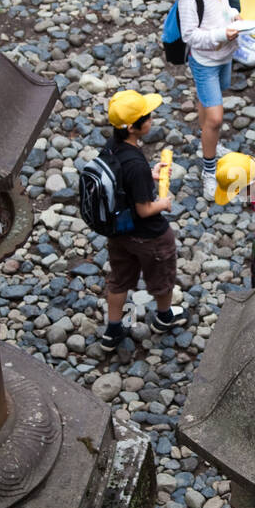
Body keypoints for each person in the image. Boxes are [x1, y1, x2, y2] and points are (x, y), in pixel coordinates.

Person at [99, 90, 189, 352]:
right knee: (162, 276)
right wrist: (162, 203)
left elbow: (122, 183)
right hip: (147, 235)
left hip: (119, 231)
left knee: (119, 278)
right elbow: (144, 209)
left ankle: (113, 330)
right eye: (147, 117)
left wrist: (150, 174)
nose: (151, 120)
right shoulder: (135, 162)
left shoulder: (111, 148)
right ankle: (163, 317)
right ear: (132, 127)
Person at [173, 0, 242, 200]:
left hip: (225, 55)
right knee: (215, 118)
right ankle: (209, 170)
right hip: (205, 61)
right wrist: (222, 34)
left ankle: (208, 141)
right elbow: (190, 36)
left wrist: (234, 16)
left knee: (207, 105)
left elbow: (223, 9)